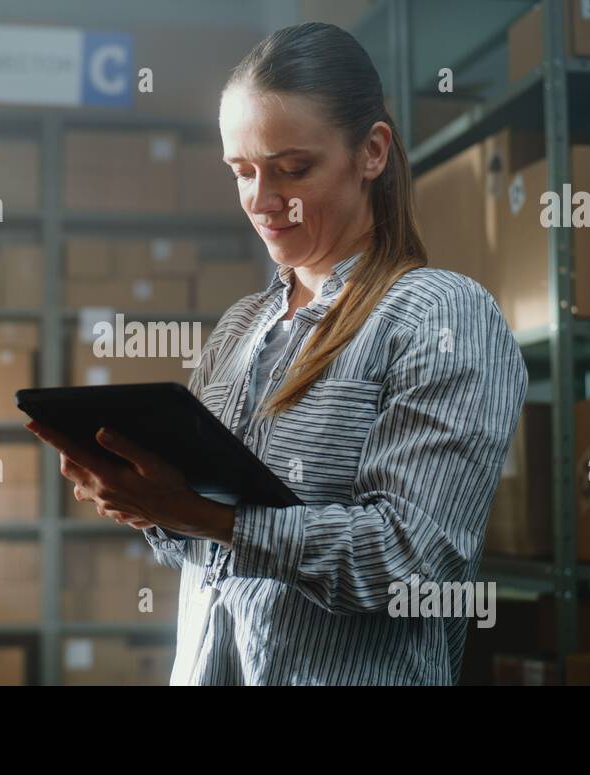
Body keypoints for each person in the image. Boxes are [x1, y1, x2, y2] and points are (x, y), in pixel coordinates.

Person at [26, 21, 528, 685]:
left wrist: (204, 515)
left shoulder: (443, 315)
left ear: (371, 151)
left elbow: (412, 564)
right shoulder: (238, 329)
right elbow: (218, 553)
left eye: (293, 169)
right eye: (242, 172)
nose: (262, 201)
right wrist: (151, 505)